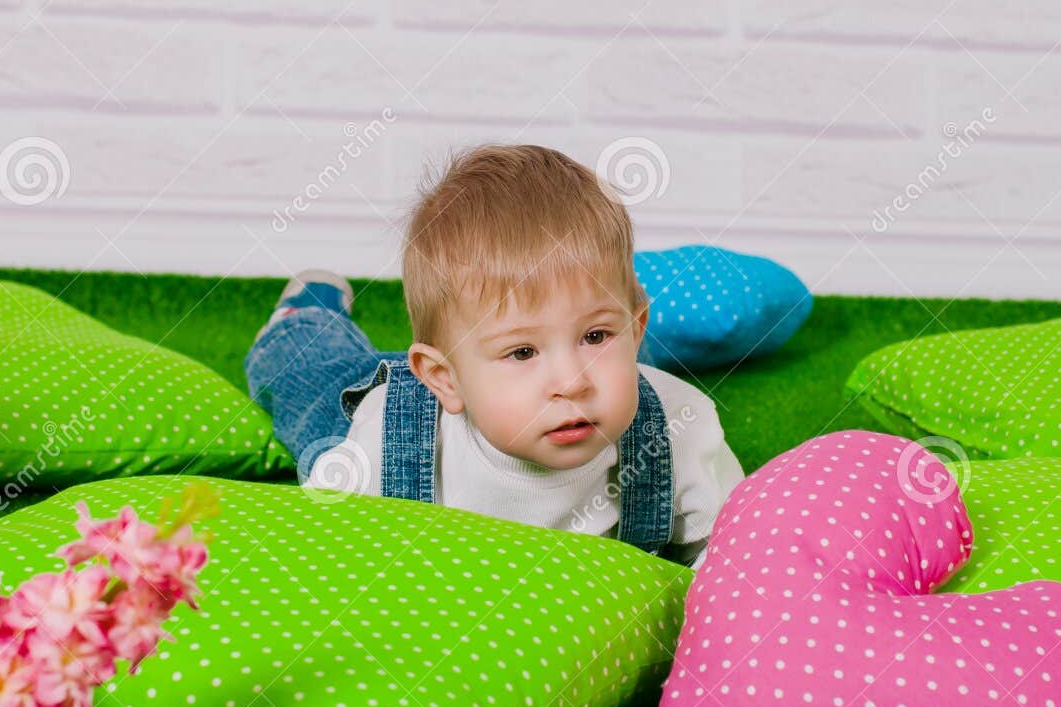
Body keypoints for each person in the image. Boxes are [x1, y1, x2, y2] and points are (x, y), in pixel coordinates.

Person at [243, 143, 744, 568]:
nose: (572, 382)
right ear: (445, 377)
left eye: (596, 337)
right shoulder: (382, 445)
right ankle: (307, 314)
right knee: (306, 369)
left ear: (635, 331)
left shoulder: (677, 431)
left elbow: (730, 563)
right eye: (523, 351)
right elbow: (331, 560)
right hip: (398, 407)